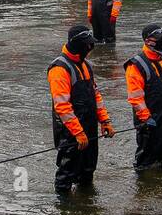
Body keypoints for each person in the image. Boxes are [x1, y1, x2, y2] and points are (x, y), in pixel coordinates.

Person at [48, 25, 115, 194]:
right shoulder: (59, 69)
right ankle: (64, 206)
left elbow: (96, 95)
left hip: (89, 126)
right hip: (69, 131)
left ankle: (86, 200)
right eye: (87, 44)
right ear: (77, 44)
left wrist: (105, 120)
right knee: (67, 173)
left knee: (88, 169)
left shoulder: (86, 65)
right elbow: (62, 106)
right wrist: (78, 132)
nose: (90, 48)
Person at [125, 23, 162, 171]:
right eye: (159, 39)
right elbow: (135, 97)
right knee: (146, 157)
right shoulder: (136, 64)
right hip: (149, 119)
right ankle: (144, 181)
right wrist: (146, 118)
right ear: (148, 41)